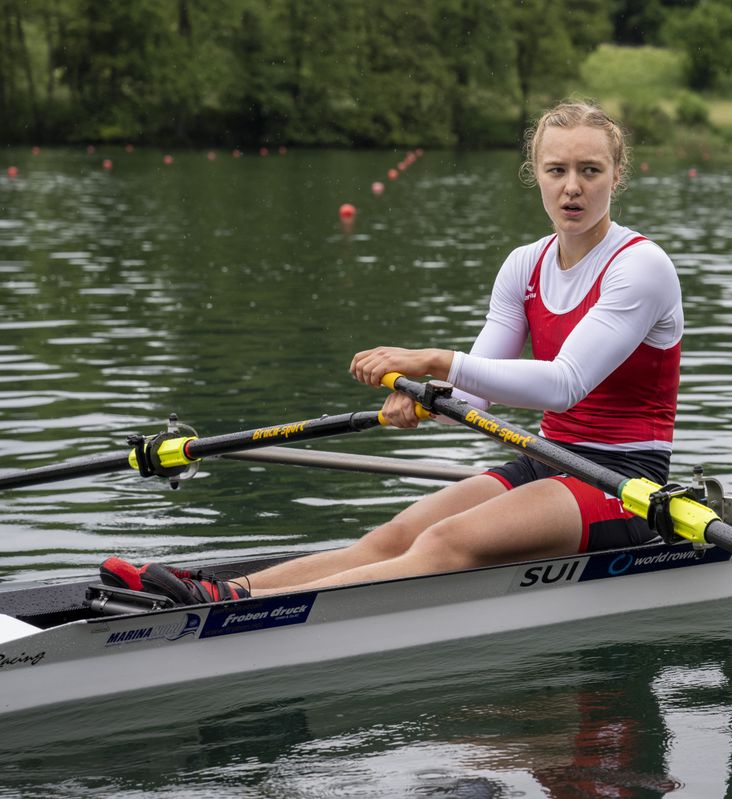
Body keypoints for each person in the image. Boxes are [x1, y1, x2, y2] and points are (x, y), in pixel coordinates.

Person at [100, 101, 684, 605]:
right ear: (536, 174)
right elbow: (471, 399)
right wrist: (427, 399)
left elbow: (564, 384)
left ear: (616, 175)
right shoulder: (523, 265)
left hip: (625, 483)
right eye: (557, 170)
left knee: (445, 542)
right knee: (391, 538)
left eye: (590, 170)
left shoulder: (640, 266)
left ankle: (256, 612)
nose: (572, 187)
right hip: (546, 458)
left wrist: (430, 362)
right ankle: (229, 594)